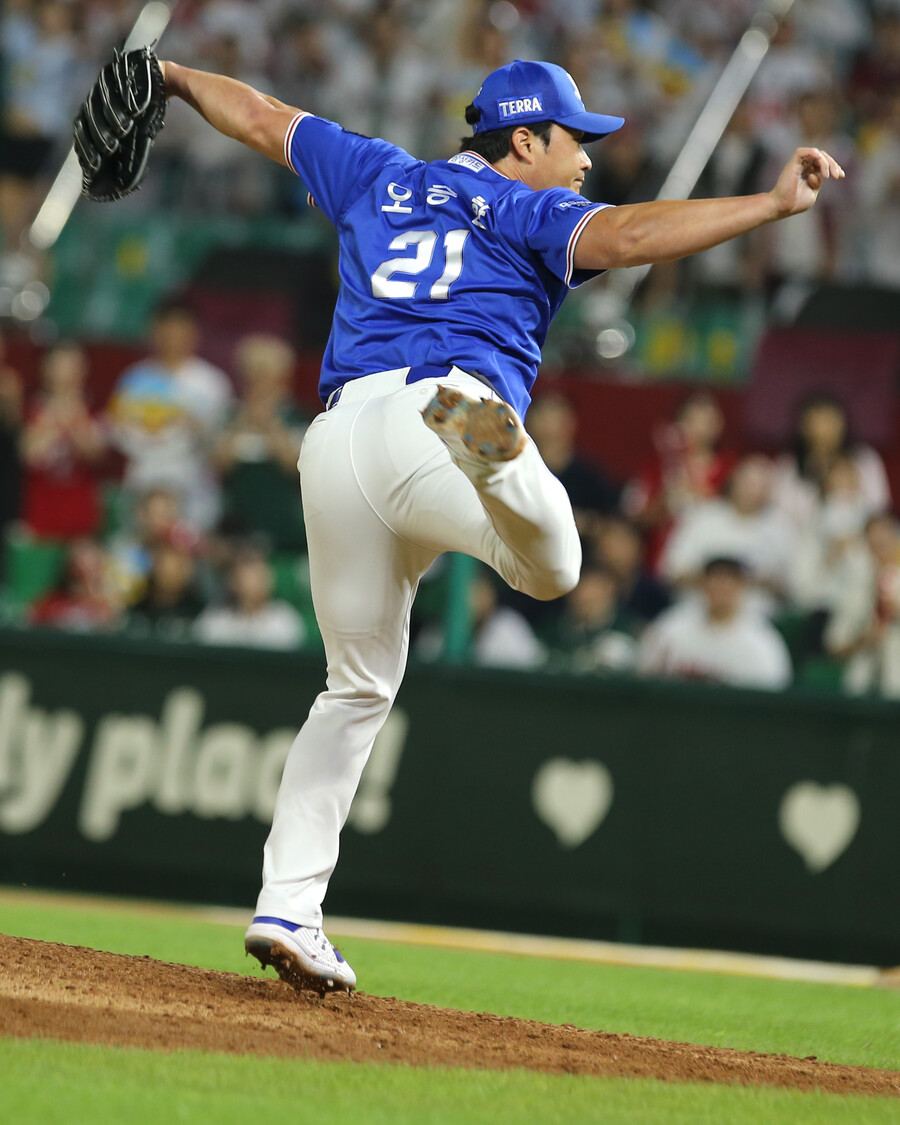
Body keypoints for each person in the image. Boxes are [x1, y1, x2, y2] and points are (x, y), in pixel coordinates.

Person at [158, 52, 844, 992]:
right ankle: (493, 434)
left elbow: (267, 118)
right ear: (525, 140)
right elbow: (634, 237)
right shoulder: (529, 207)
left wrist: (167, 72)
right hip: (441, 416)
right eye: (574, 140)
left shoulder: (377, 170)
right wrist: (768, 208)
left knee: (355, 688)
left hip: (336, 436)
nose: (587, 160)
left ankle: (288, 906)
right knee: (558, 565)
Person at [106, 302, 233, 532]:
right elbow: (117, 430)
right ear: (154, 332)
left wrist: (195, 425)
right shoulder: (134, 379)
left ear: (193, 333)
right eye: (166, 329)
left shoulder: (211, 383)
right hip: (143, 477)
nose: (171, 337)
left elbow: (221, 442)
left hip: (190, 479)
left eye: (179, 329)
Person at [638, 556, 793, 690]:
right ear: (702, 584)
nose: (721, 588)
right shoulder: (672, 628)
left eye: (729, 581)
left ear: (742, 587)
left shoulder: (762, 641)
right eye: (715, 580)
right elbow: (644, 677)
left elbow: (772, 695)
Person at [20, 342, 107, 541]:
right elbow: (29, 454)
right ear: (46, 369)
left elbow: (95, 454)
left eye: (73, 365)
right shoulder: (31, 410)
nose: (66, 373)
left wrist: (74, 414)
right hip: (40, 520)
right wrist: (54, 415)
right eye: (60, 365)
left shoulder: (93, 412)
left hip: (81, 520)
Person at [193, 546, 305, 650]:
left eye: (260, 575)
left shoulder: (284, 620)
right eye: (247, 574)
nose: (254, 581)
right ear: (233, 580)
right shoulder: (215, 621)